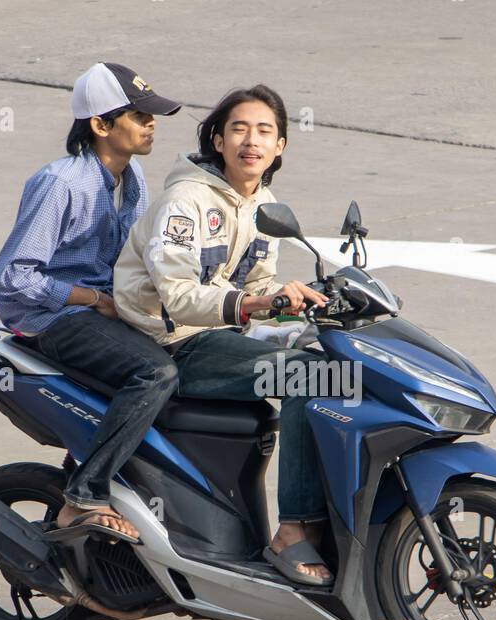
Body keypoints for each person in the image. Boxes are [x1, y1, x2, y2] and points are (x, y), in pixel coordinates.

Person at [114, 85, 336, 585]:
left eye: (264, 131)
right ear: (217, 140)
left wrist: (300, 305)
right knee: (308, 378)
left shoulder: (264, 205)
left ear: (281, 146)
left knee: (338, 364)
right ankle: (294, 529)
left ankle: (328, 516)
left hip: (218, 333)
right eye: (238, 129)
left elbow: (258, 288)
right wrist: (258, 304)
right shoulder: (185, 201)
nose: (250, 141)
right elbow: (179, 297)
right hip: (174, 342)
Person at [0, 62, 181, 537]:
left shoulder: (131, 176)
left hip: (103, 310)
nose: (150, 123)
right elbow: (12, 275)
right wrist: (94, 299)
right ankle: (85, 494)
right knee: (154, 373)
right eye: (138, 115)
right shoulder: (62, 183)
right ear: (100, 126)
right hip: (50, 318)